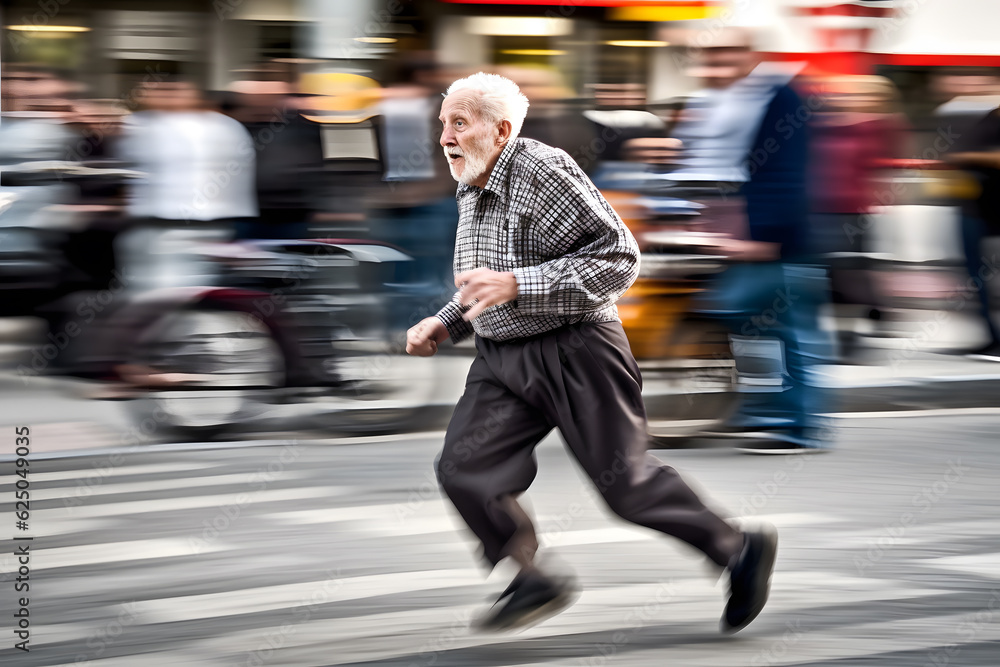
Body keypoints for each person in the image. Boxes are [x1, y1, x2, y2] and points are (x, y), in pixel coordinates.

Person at [405, 72, 776, 633]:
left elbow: (621, 258)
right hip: (503, 356)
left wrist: (520, 285)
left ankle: (737, 547)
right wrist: (446, 321)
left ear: (501, 130)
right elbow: (485, 283)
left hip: (577, 348)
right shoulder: (471, 181)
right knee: (464, 469)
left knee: (626, 487)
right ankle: (531, 577)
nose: (445, 138)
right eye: (443, 124)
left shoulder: (544, 170)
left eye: (460, 123)